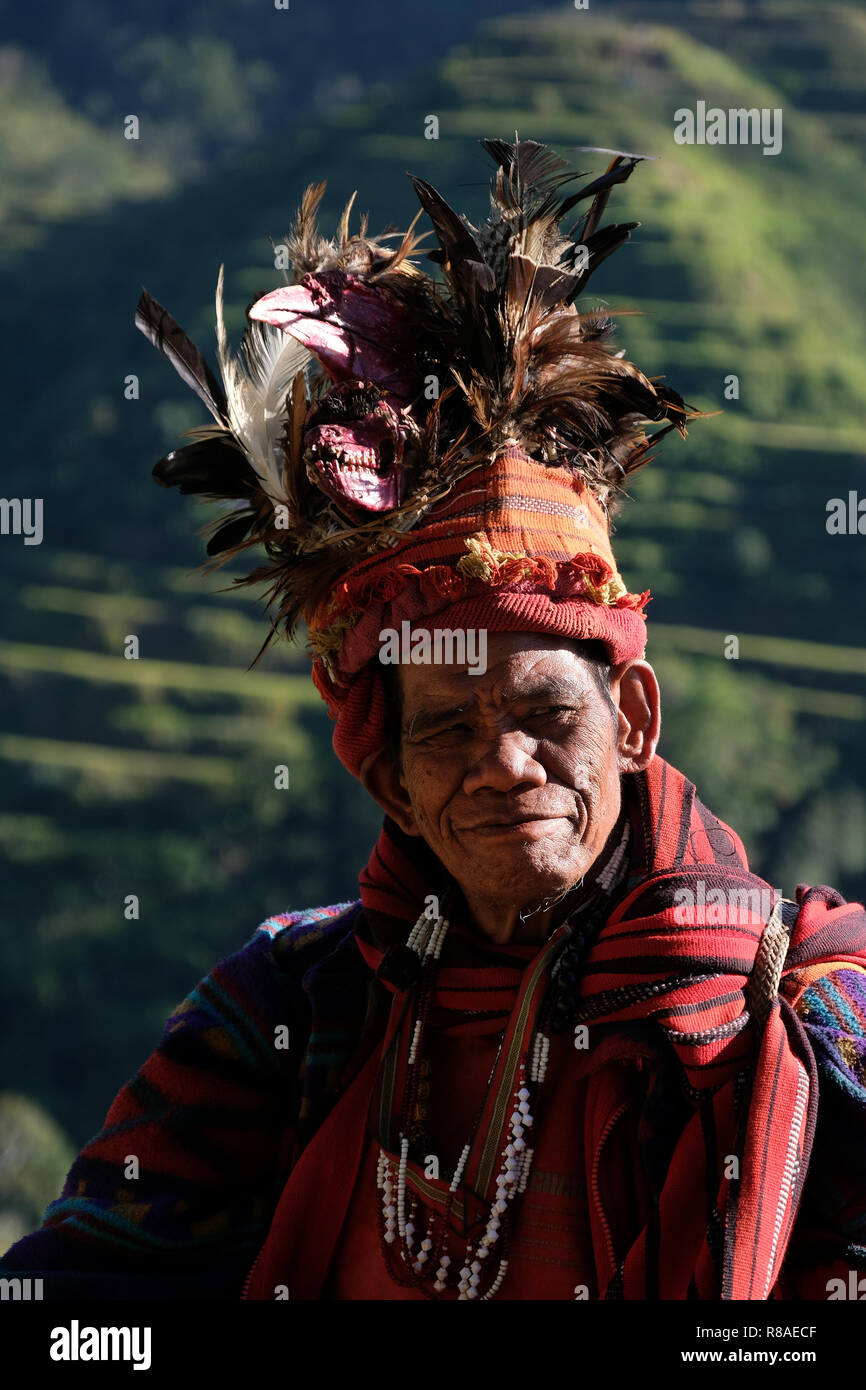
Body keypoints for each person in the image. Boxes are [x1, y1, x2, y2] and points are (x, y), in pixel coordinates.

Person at [3, 139, 865, 1302]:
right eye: (446, 730)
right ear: (391, 778)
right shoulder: (289, 1008)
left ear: (634, 717)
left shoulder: (814, 1011)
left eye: (545, 712)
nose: (503, 762)